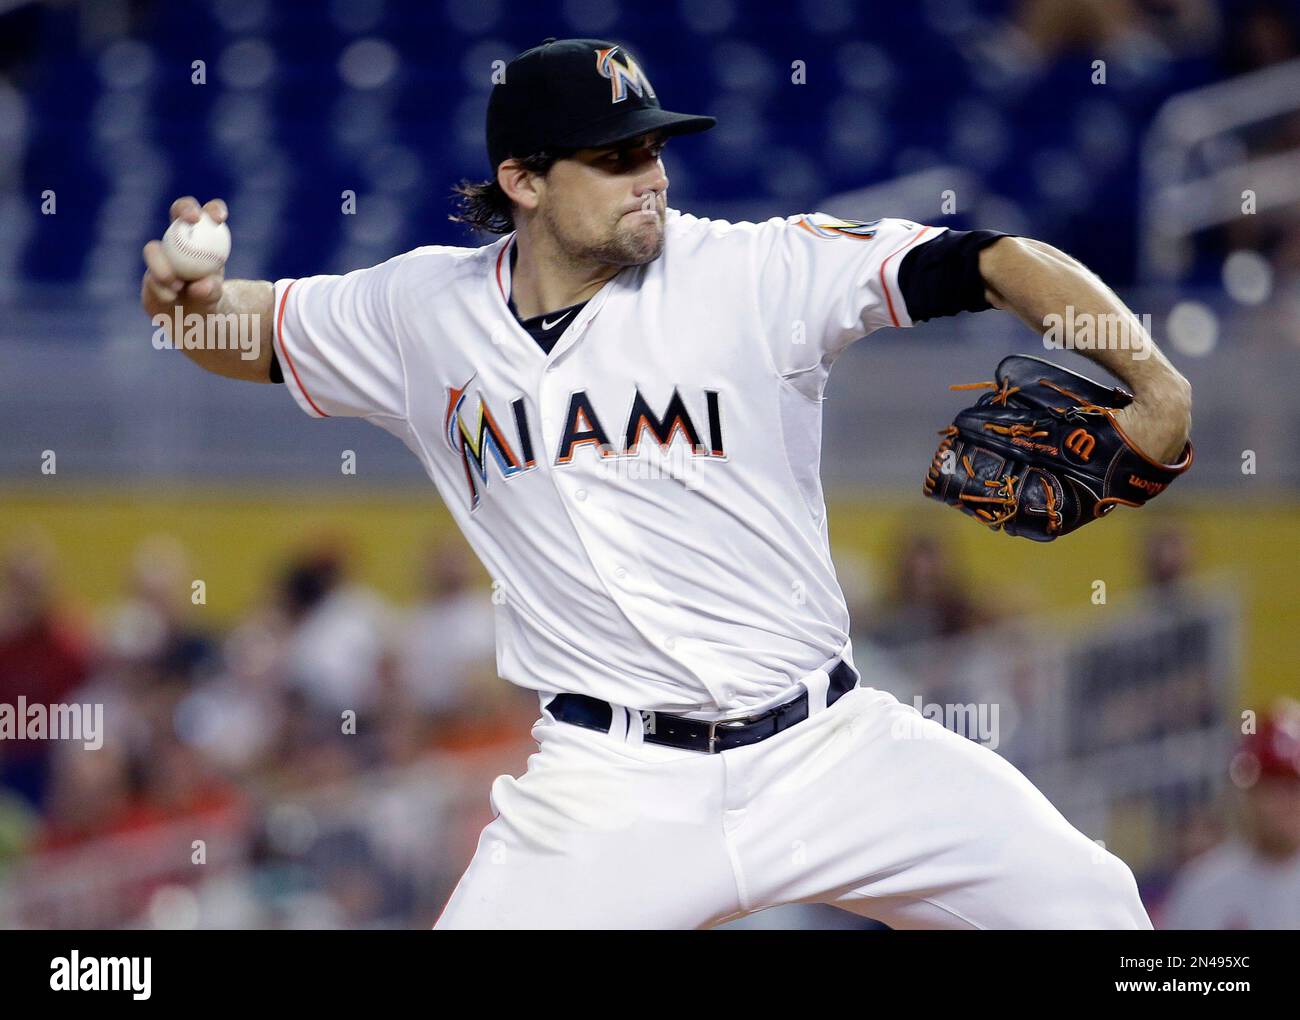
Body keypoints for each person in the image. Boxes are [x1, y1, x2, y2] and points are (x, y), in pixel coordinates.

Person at [139, 38, 1192, 929]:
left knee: (1097, 908)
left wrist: (1149, 378)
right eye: (614, 154)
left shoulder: (750, 271)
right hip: (611, 787)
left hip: (830, 748)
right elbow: (251, 330)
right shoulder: (420, 314)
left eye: (653, 145)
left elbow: (992, 258)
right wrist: (185, 301)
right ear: (524, 180)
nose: (651, 172)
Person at [1160, 701, 1300, 929]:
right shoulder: (1202, 887)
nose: (1288, 802)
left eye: (1294, 787)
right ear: (1248, 794)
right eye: (1274, 786)